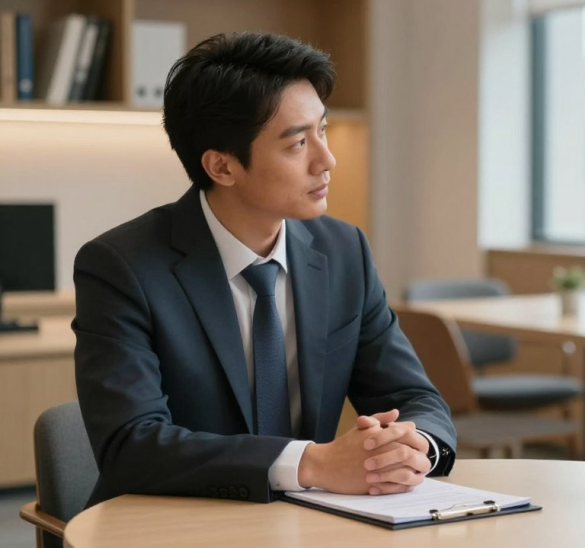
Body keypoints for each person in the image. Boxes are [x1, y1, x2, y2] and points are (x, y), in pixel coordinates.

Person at [73, 32, 456, 507]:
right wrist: (311, 463)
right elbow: (131, 445)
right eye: (298, 143)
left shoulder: (344, 251)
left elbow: (416, 398)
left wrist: (413, 448)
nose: (327, 159)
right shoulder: (122, 267)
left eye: (322, 130)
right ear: (222, 167)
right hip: (170, 521)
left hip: (308, 524)